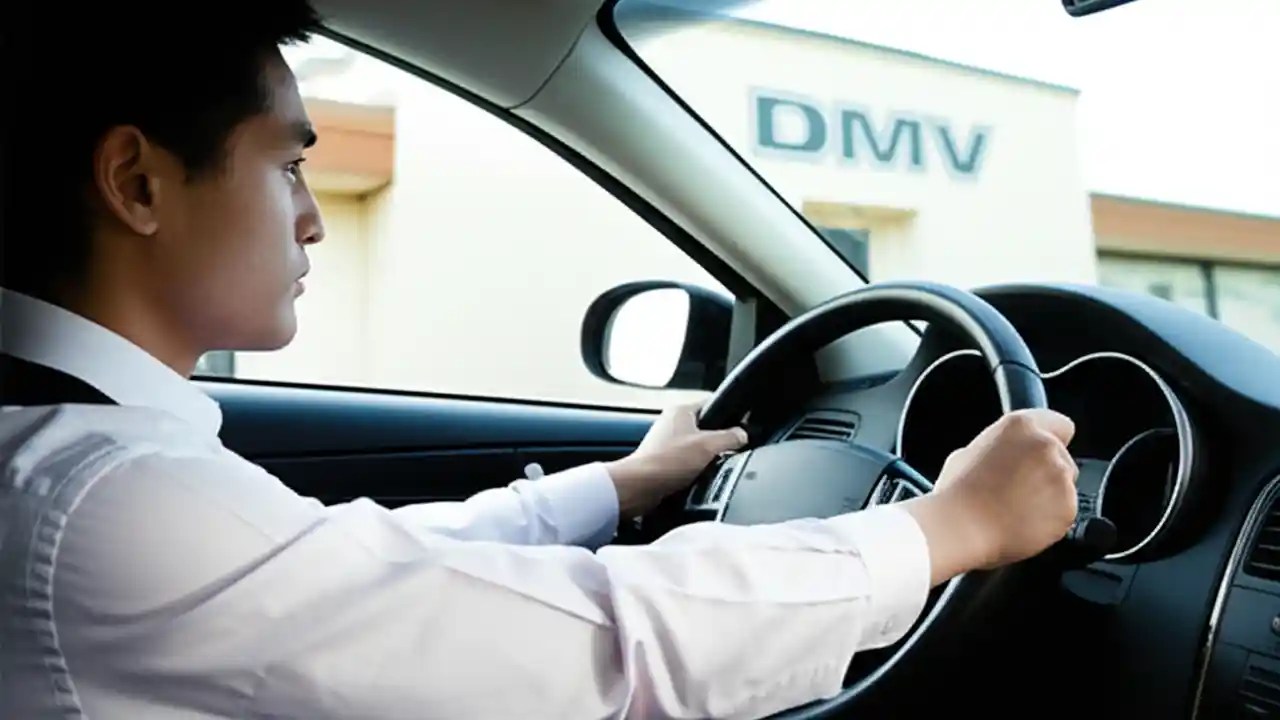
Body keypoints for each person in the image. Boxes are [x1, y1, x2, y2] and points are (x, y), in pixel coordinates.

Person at [0, 2, 1079, 718]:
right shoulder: (106, 498)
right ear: (137, 183)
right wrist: (946, 529)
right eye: (286, 167)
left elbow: (354, 565)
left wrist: (615, 485)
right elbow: (601, 645)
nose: (312, 222)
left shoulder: (79, 464)